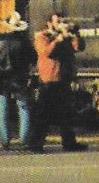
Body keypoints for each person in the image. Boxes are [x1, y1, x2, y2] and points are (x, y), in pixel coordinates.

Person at [29, 12, 87, 152]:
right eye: (58, 20)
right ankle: (35, 144)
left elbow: (79, 47)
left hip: (64, 80)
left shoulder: (66, 37)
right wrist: (59, 39)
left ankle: (69, 143)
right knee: (44, 114)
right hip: (49, 81)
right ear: (49, 23)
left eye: (62, 20)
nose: (61, 23)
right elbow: (47, 52)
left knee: (67, 114)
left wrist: (75, 33)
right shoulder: (42, 37)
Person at [0, 10, 36, 150]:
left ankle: (5, 141)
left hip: (1, 79)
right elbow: (34, 58)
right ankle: (24, 140)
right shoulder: (24, 42)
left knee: (3, 111)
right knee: (24, 109)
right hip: (19, 79)